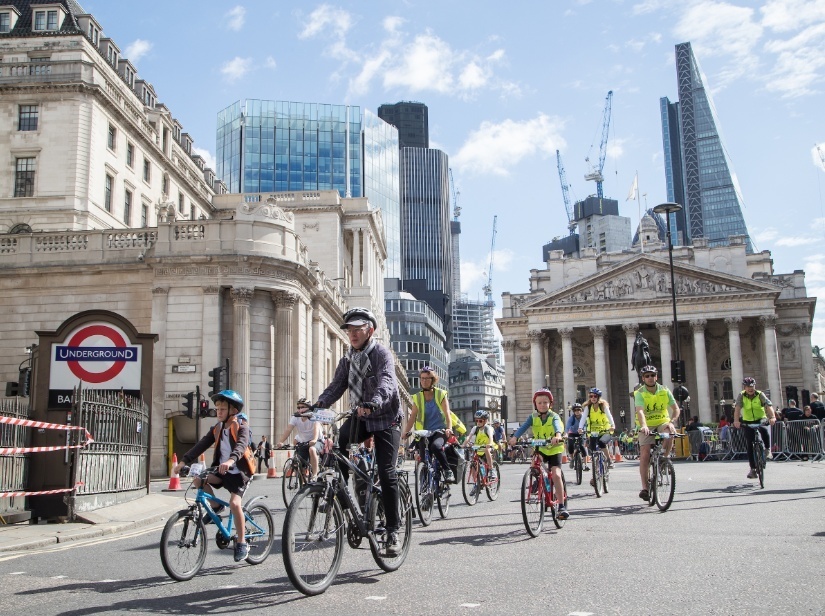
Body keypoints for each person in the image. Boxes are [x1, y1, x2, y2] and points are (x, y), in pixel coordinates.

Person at [314, 307, 404, 556]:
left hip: (386, 418)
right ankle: (342, 499)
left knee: (387, 472)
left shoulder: (381, 354)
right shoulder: (347, 359)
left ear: (370, 330)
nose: (352, 334)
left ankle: (392, 531)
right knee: (339, 447)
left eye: (358, 329)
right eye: (349, 330)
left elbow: (387, 381)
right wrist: (319, 403)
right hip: (361, 416)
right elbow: (337, 386)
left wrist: (374, 401)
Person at [173, 390, 256, 562]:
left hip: (240, 472)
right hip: (222, 471)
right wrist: (183, 462)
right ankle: (216, 507)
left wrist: (232, 460)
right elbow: (201, 445)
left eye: (222, 409)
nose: (218, 411)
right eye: (217, 408)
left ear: (233, 410)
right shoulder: (217, 428)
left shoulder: (242, 426)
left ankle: (241, 543)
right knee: (198, 479)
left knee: (234, 503)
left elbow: (241, 445)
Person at [509, 388, 569, 519]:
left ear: (550, 404)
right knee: (534, 465)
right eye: (539, 402)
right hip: (540, 448)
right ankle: (537, 480)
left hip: (554, 449)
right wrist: (515, 437)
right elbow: (523, 427)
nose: (542, 405)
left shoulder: (554, 416)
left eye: (545, 402)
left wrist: (558, 435)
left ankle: (561, 505)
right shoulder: (533, 417)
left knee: (556, 475)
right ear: (535, 404)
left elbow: (558, 425)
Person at [634, 365, 680, 501]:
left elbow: (676, 409)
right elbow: (640, 411)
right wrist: (643, 426)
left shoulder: (665, 390)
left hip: (662, 422)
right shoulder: (640, 393)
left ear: (656, 377)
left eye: (652, 375)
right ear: (643, 378)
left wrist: (672, 421)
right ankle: (645, 488)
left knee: (670, 431)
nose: (650, 378)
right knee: (645, 454)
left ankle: (664, 458)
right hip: (646, 425)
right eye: (647, 376)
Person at [403, 366, 455, 483]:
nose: (424, 381)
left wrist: (449, 428)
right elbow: (412, 417)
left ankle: (447, 471)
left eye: (427, 378)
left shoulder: (440, 394)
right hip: (424, 432)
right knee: (423, 461)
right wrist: (405, 432)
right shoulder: (417, 397)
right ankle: (426, 487)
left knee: (435, 447)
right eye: (422, 378)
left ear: (433, 380)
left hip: (440, 431)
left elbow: (447, 414)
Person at [733, 377, 776, 479]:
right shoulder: (741, 395)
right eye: (748, 387)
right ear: (745, 387)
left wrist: (773, 417)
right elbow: (737, 408)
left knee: (764, 430)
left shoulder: (760, 394)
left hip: (760, 418)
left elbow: (768, 405)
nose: (750, 388)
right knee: (750, 445)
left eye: (752, 386)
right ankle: (752, 469)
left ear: (754, 386)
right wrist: (736, 421)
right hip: (748, 420)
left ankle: (767, 449)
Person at [276, 397, 324, 480]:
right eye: (298, 407)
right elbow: (288, 429)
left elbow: (316, 427)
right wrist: (281, 441)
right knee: (300, 463)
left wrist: (314, 439)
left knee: (312, 449)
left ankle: (315, 475)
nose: (300, 409)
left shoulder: (313, 415)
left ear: (308, 408)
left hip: (316, 440)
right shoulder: (295, 417)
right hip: (303, 441)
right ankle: (303, 483)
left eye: (302, 407)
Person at [579, 387, 616, 471]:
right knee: (592, 449)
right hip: (593, 431)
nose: (593, 398)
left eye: (595, 396)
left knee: (601, 443)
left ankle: (609, 459)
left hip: (605, 430)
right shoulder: (588, 407)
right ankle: (596, 471)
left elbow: (609, 416)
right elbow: (583, 418)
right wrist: (580, 428)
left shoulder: (603, 406)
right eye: (591, 396)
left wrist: (612, 425)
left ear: (598, 397)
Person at [464, 410, 498, 480]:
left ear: (485, 421)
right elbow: (469, 437)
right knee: (473, 464)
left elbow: (491, 437)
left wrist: (489, 444)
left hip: (489, 447)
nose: (478, 423)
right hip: (479, 448)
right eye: (477, 421)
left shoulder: (488, 428)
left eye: (480, 421)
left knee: (486, 450)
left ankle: (492, 470)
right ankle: (476, 484)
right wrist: (463, 444)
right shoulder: (475, 428)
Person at [565, 403, 585, 469]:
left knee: (582, 446)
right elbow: (568, 426)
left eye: (579, 410)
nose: (577, 411)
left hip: (581, 433)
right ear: (573, 411)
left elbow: (587, 425)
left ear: (581, 410)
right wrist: (566, 434)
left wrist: (584, 430)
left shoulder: (583, 417)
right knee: (570, 445)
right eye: (575, 410)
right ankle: (572, 458)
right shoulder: (572, 418)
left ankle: (585, 464)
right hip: (572, 433)